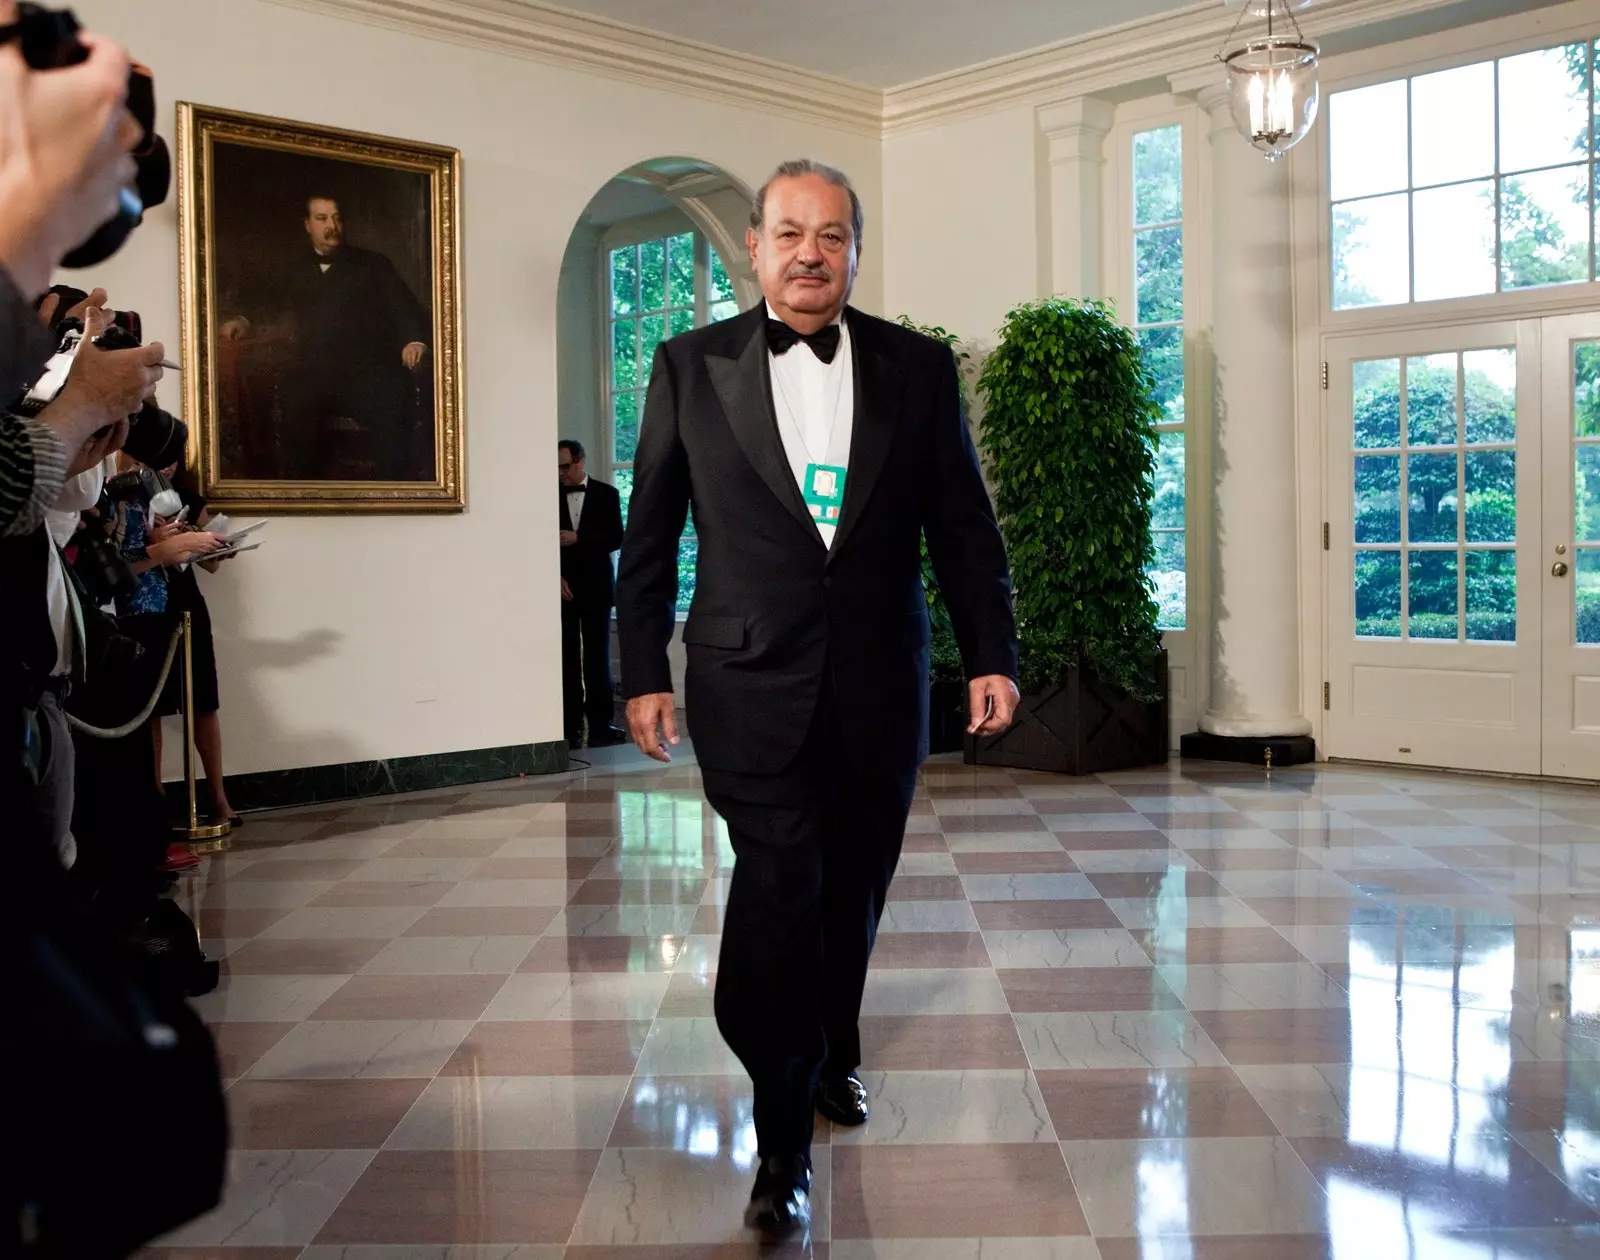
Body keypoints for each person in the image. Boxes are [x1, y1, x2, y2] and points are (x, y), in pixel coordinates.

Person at [616, 159, 1020, 1237]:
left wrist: (992, 653)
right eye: (789, 232)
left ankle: (835, 1049)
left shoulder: (917, 368)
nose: (810, 252)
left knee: (855, 893)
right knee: (781, 890)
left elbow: (964, 530)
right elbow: (648, 532)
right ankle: (781, 1127)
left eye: (831, 235)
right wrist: (642, 672)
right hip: (749, 685)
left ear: (853, 249)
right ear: (752, 246)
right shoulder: (687, 365)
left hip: (881, 685)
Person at [219, 195, 431, 481]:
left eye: (337, 217)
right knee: (294, 415)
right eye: (322, 218)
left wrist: (414, 340)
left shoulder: (373, 264)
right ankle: (303, 498)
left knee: (393, 410)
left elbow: (403, 306)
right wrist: (243, 321)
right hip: (315, 375)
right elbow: (268, 301)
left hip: (368, 374)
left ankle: (394, 497)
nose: (332, 225)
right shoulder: (296, 268)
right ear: (308, 225)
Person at [558, 438, 625, 748]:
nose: (560, 473)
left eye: (565, 466)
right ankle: (568, 728)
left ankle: (602, 726)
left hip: (596, 586)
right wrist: (552, 576)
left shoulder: (607, 494)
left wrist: (578, 538)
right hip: (562, 589)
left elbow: (615, 537)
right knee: (565, 657)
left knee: (598, 657)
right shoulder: (547, 496)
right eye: (556, 467)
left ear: (580, 462)